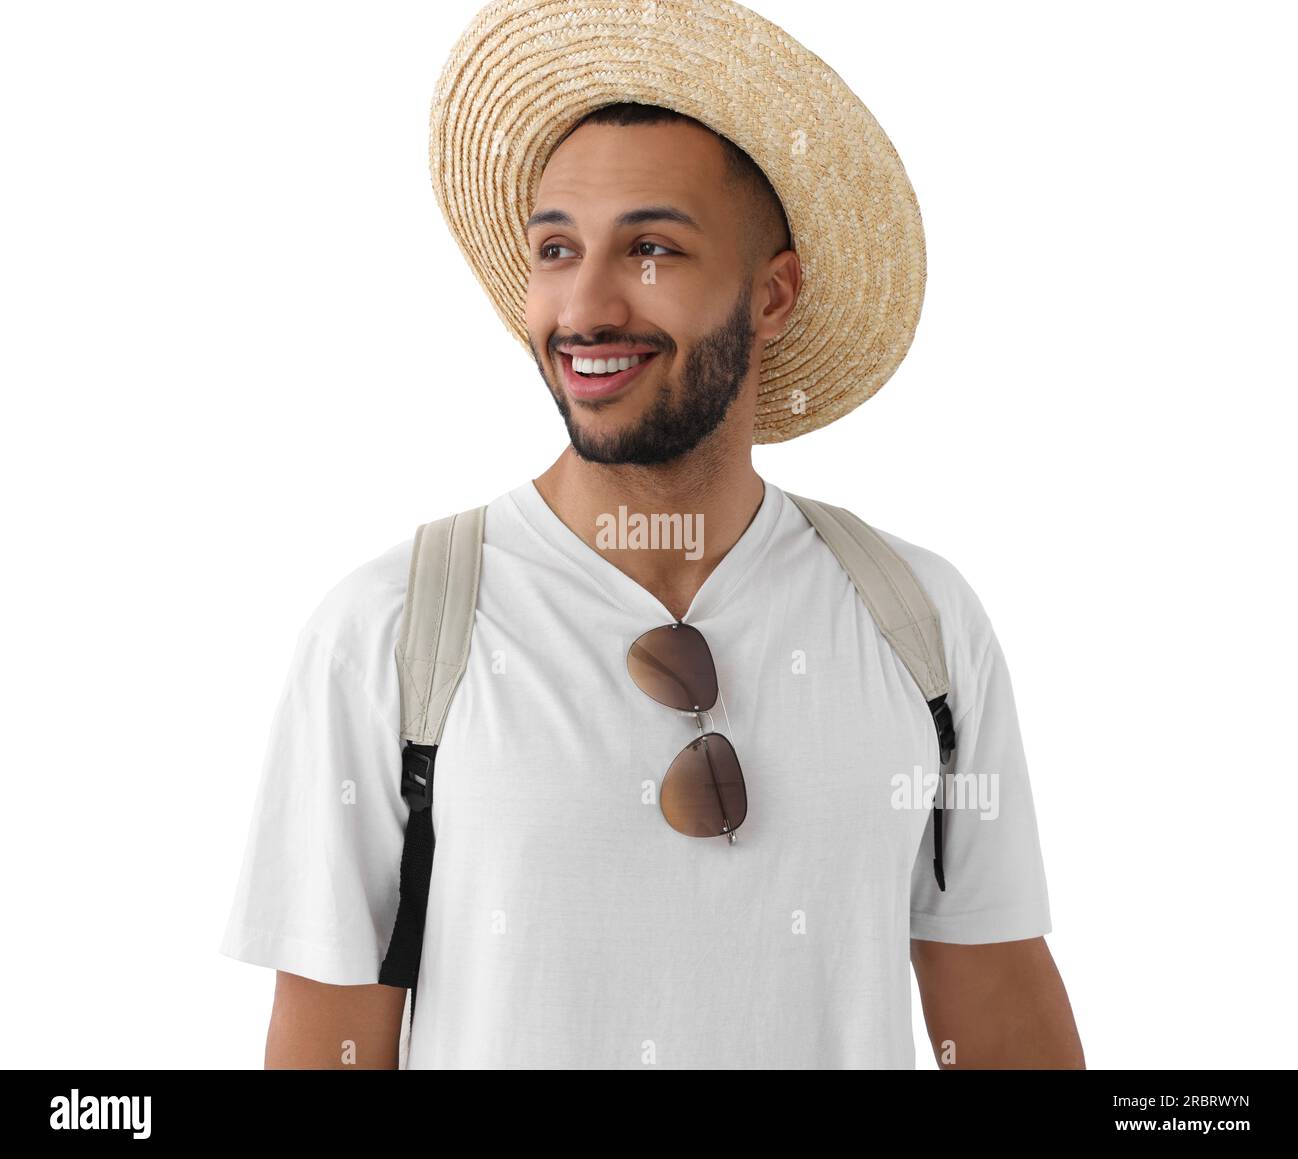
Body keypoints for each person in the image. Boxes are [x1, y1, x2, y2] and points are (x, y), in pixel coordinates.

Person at [219, 0, 1083, 1069]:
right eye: (555, 247)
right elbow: (326, 1045)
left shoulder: (915, 619)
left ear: (772, 295)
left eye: (652, 248)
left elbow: (997, 1013)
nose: (583, 306)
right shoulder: (394, 630)